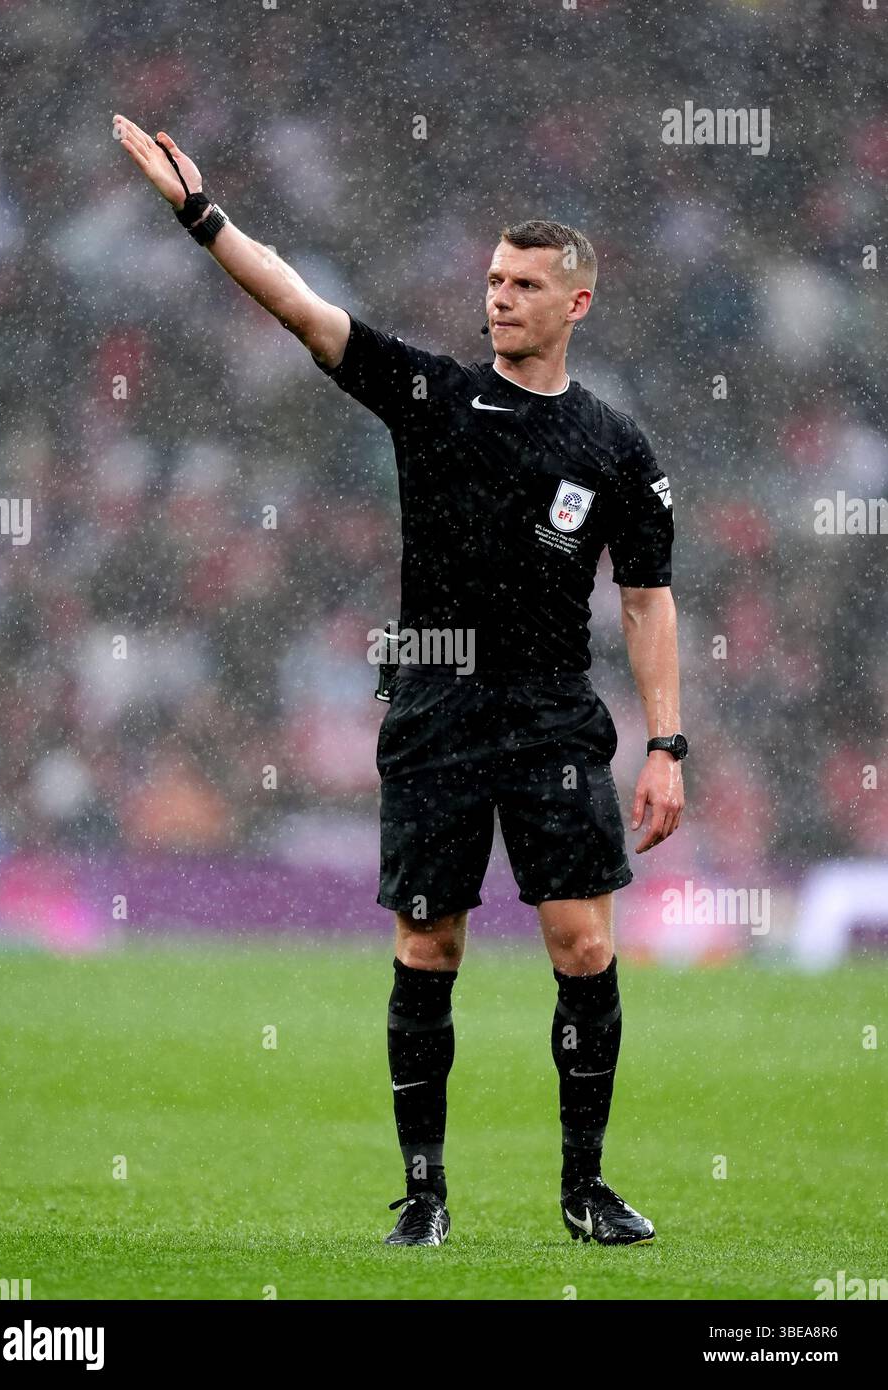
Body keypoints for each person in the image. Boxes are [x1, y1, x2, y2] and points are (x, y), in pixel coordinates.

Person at [115, 116, 686, 1248]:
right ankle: (423, 1196)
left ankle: (584, 1188)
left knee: (581, 943)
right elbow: (299, 306)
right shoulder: (428, 396)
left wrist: (665, 741)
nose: (498, 297)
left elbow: (644, 599)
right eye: (489, 279)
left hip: (550, 714)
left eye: (523, 283)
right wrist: (201, 215)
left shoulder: (614, 447)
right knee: (428, 945)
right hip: (433, 700)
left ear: (576, 302)